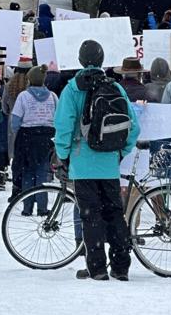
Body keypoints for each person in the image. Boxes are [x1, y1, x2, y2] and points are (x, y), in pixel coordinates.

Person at [54, 40, 140, 281]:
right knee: (115, 214)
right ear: (102, 60)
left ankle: (97, 267)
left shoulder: (72, 89)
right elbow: (133, 126)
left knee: (90, 216)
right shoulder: (115, 87)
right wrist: (121, 151)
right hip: (109, 162)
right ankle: (121, 266)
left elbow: (63, 127)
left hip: (82, 162)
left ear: (80, 60)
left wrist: (63, 154)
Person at [10, 66, 57, 216]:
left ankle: (27, 206)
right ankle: (42, 207)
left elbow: (15, 121)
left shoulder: (23, 96)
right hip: (46, 137)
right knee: (42, 171)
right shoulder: (53, 97)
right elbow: (58, 118)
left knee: (27, 171)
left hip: (27, 136)